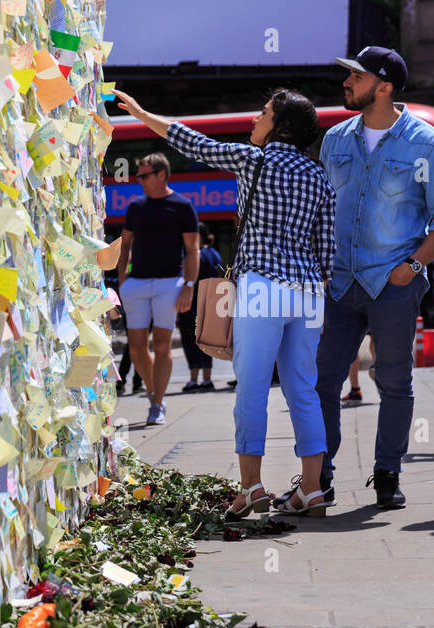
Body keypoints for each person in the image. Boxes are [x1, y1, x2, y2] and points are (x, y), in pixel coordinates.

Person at [116, 88, 336, 519]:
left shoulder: (253, 160)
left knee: (251, 388)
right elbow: (327, 254)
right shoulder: (319, 176)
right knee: (303, 391)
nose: (254, 120)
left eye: (264, 114)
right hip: (309, 293)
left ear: (282, 126)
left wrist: (143, 114)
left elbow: (192, 142)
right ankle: (312, 489)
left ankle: (251, 487)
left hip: (262, 287)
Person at [298, 47, 434, 510]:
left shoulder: (427, 144)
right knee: (322, 383)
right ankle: (320, 477)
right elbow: (320, 211)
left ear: (383, 86)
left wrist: (407, 270)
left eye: (356, 75)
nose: (346, 82)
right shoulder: (334, 140)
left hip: (393, 286)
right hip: (339, 284)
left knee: (394, 382)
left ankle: (387, 473)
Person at [115, 152, 199, 425]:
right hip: (136, 283)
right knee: (137, 348)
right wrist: (123, 279)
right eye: (139, 175)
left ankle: (158, 403)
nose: (140, 180)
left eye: (144, 175)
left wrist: (188, 286)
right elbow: (125, 244)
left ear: (161, 174)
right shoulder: (136, 207)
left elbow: (192, 250)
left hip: (168, 283)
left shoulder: (182, 206)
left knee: (162, 346)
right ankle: (153, 393)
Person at [179, 223, 223, 392]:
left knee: (190, 340)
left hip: (192, 303)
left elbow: (184, 275)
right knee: (208, 342)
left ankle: (193, 379)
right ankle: (207, 378)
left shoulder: (194, 255)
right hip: (212, 303)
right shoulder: (215, 254)